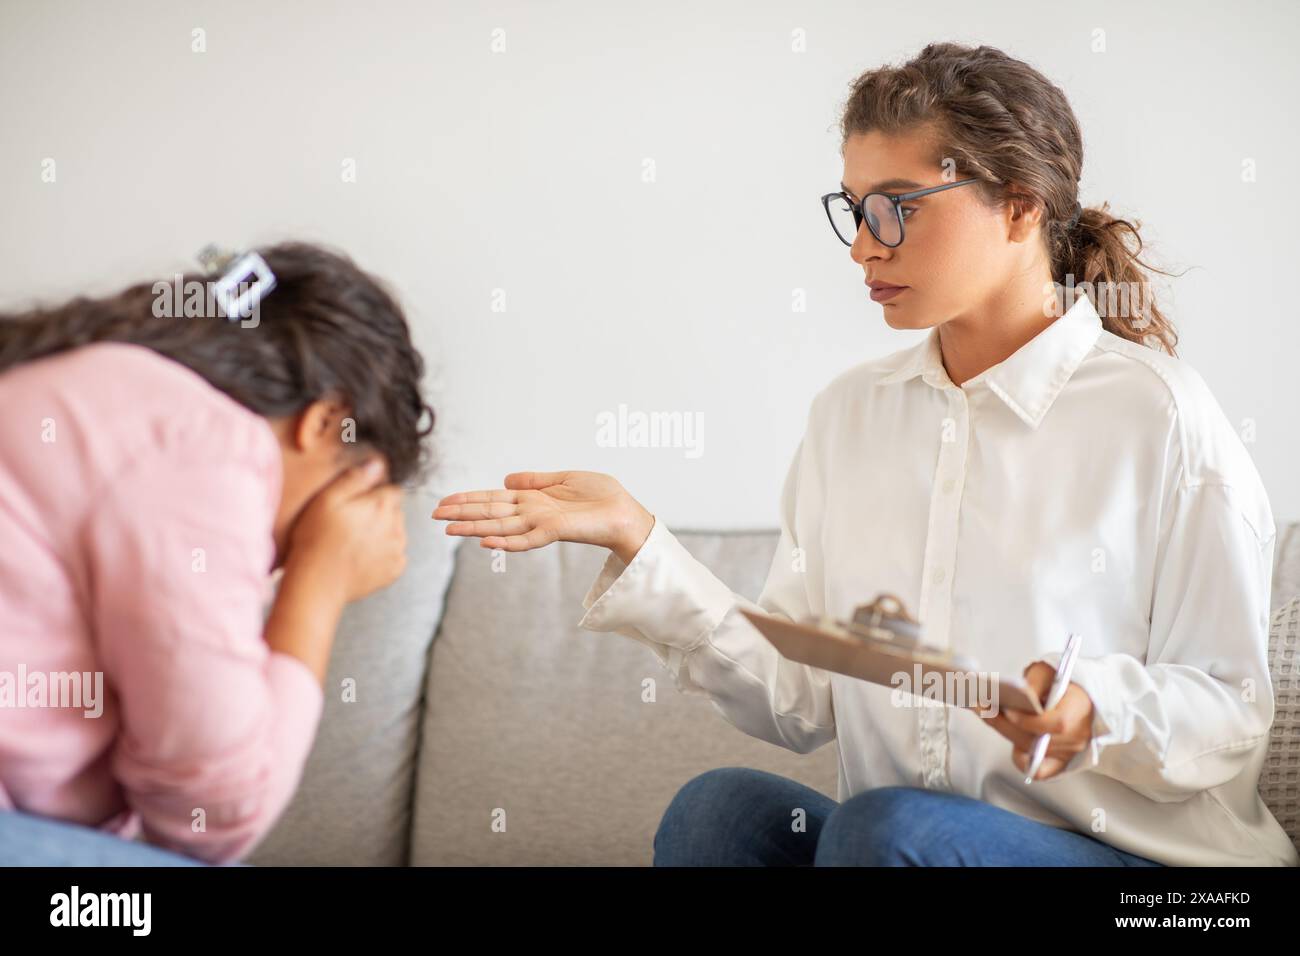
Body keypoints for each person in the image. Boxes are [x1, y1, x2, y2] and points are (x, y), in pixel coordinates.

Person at [432, 43, 1298, 866]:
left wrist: (1093, 711)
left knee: (887, 829)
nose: (862, 246)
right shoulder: (851, 415)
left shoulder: (1158, 414)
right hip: (894, 848)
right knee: (719, 810)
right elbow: (802, 695)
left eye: (897, 207)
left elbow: (1230, 708)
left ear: (1022, 204)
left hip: (1147, 872)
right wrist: (637, 539)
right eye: (854, 209)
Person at [0, 241, 434, 864]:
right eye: (341, 503)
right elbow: (212, 819)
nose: (277, 558)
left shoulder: (98, 385)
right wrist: (319, 582)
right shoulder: (205, 443)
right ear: (324, 423)